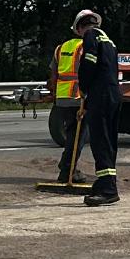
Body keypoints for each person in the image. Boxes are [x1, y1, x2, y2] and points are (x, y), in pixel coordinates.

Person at [75, 10, 123, 206]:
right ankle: (105, 182)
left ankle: (108, 189)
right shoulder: (109, 41)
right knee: (109, 140)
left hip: (100, 94)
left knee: (100, 141)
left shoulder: (90, 35)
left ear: (80, 27)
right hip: (112, 94)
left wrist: (84, 88)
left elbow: (89, 63)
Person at [51, 14, 89, 185]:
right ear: (80, 29)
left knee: (73, 134)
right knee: (78, 136)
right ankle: (68, 169)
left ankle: (67, 167)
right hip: (77, 97)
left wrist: (54, 95)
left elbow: (53, 74)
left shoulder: (61, 47)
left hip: (62, 97)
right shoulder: (86, 47)